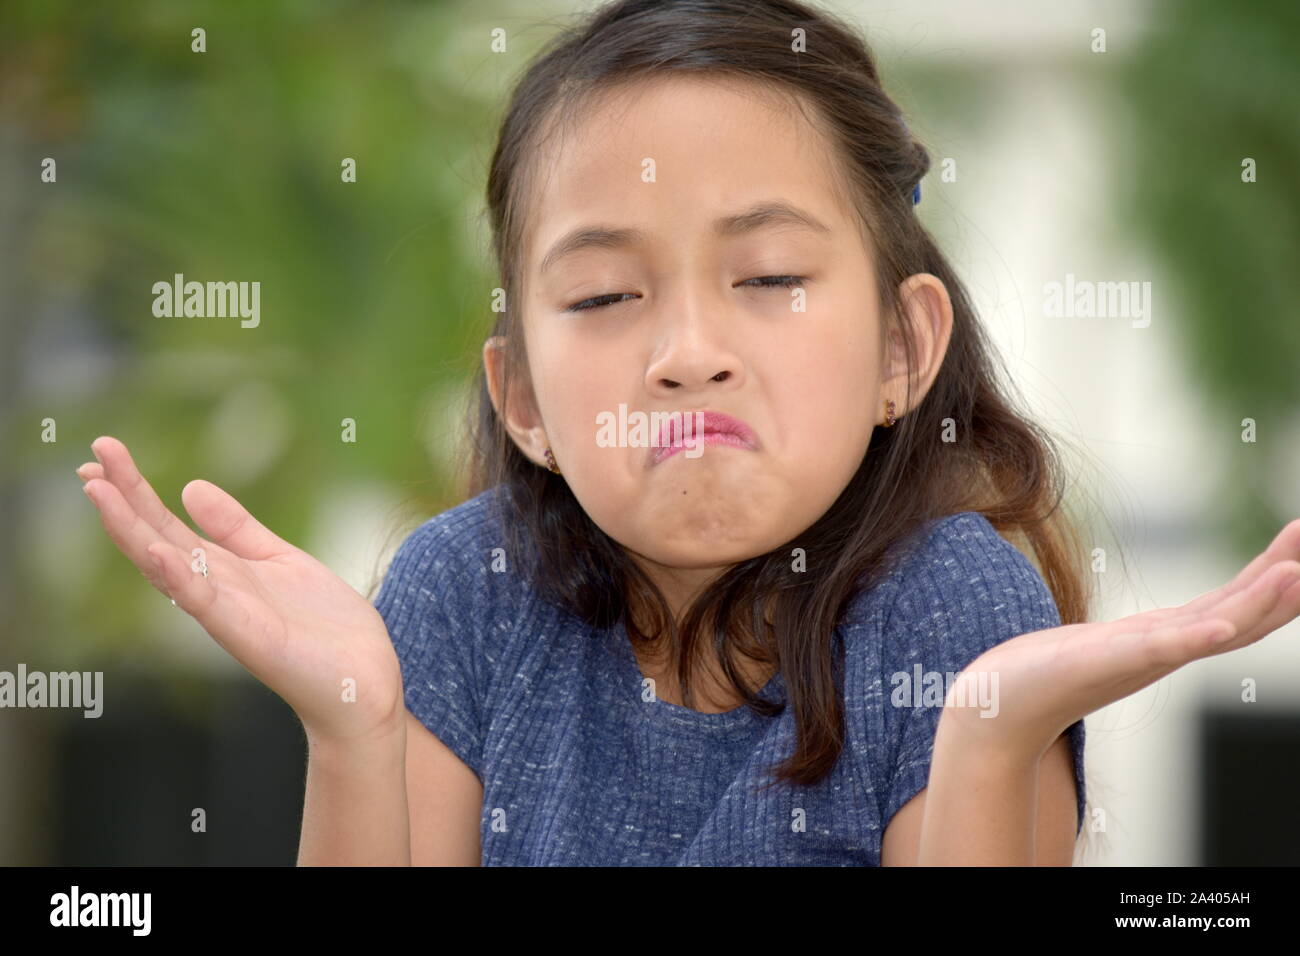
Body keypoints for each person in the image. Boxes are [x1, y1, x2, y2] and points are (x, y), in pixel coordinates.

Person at [77, 0, 1300, 866]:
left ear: (899, 351)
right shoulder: (462, 590)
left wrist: (984, 738)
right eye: (606, 296)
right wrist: (352, 728)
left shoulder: (951, 610)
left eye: (767, 276)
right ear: (526, 403)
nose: (686, 351)